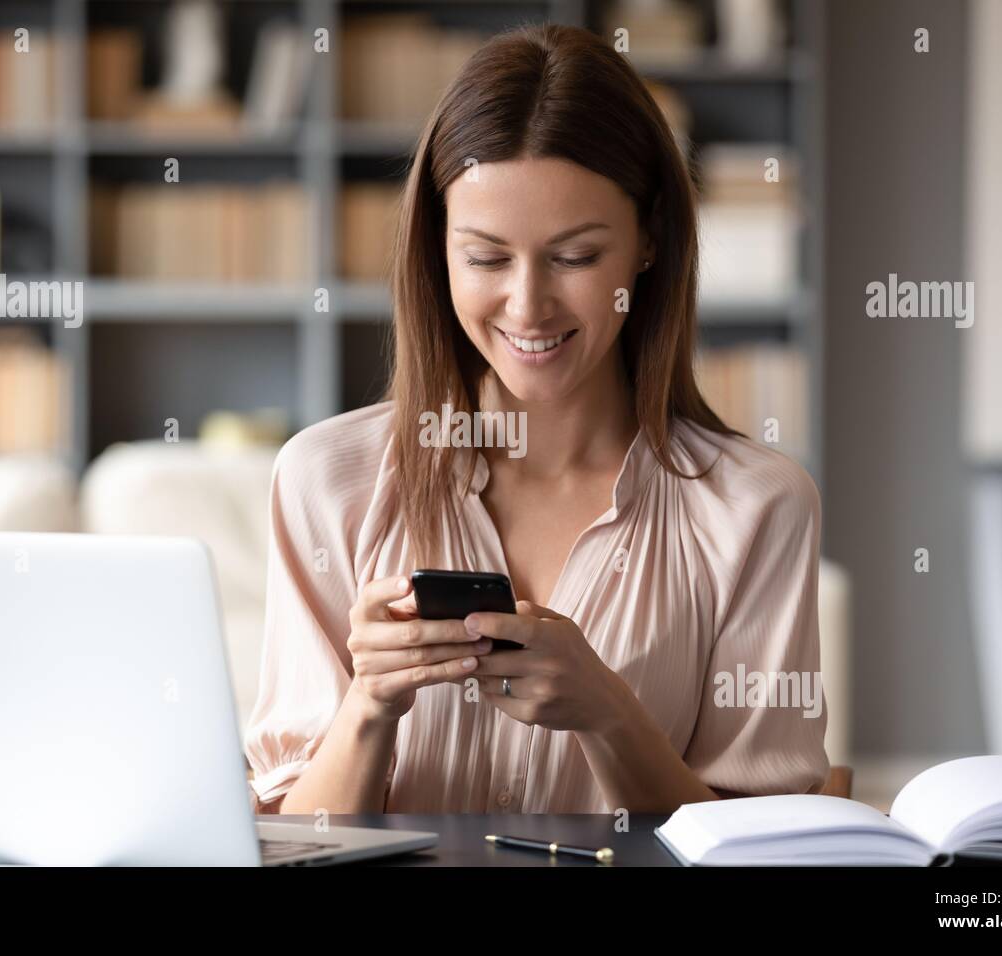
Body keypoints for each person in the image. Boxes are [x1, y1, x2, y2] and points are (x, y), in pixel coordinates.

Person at [245, 22, 828, 815]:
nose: (528, 306)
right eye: (485, 258)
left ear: (649, 242)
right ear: (436, 249)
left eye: (576, 257)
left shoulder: (757, 506)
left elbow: (762, 845)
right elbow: (287, 838)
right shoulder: (325, 481)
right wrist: (369, 705)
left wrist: (609, 713)